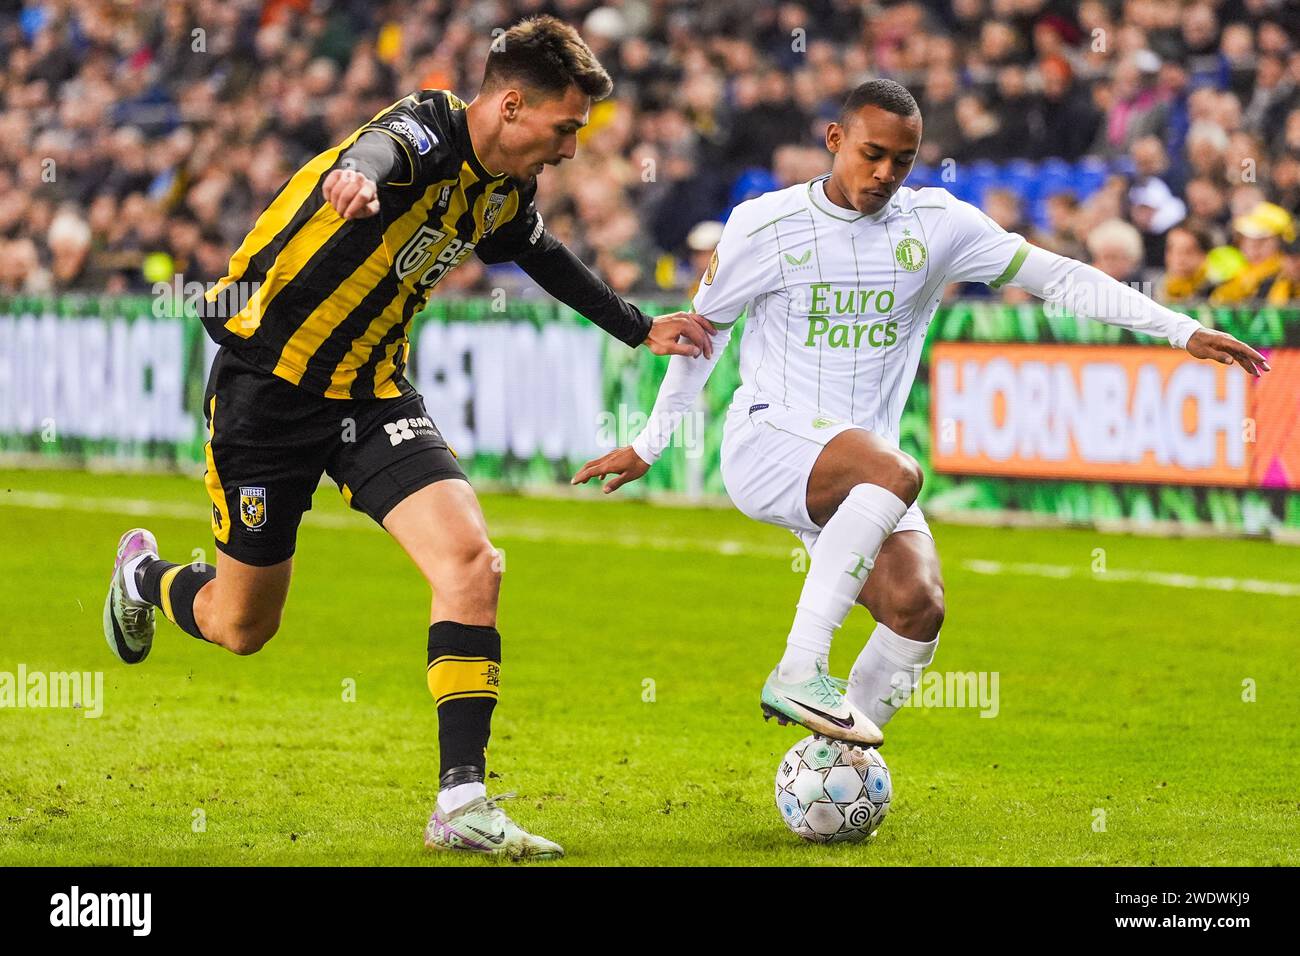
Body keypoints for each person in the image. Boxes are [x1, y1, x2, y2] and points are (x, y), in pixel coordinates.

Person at [101, 15, 713, 861]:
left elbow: (539, 254)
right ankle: (143, 575)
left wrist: (637, 325)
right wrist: (354, 178)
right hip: (266, 395)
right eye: (565, 127)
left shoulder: (502, 191)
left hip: (371, 393)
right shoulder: (427, 125)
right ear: (509, 104)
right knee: (242, 627)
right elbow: (382, 153)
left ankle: (460, 801)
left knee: (473, 561)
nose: (572, 148)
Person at [573, 79, 1269, 748]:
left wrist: (1178, 330)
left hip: (861, 473)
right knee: (898, 470)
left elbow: (1057, 277)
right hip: (769, 442)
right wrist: (651, 443)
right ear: (835, 138)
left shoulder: (938, 224)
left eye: (901, 160)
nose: (884, 173)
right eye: (870, 154)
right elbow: (700, 335)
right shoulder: (766, 223)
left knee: (918, 607)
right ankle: (799, 670)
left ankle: (835, 762)